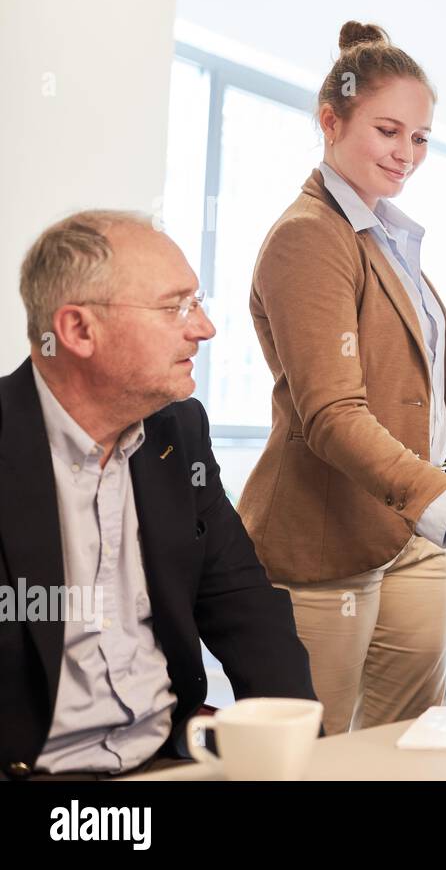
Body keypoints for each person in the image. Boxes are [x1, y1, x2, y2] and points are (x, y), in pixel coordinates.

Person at [237, 21, 446, 735]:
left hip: (412, 534)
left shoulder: (388, 235)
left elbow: (409, 381)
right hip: (328, 537)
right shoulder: (310, 236)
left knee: (405, 740)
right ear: (330, 121)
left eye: (421, 138)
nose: (407, 154)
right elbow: (333, 412)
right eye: (388, 131)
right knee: (320, 748)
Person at [1, 211, 315, 780]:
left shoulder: (178, 432)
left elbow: (242, 599)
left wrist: (296, 745)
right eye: (176, 306)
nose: (204, 328)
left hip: (167, 759)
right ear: (77, 331)